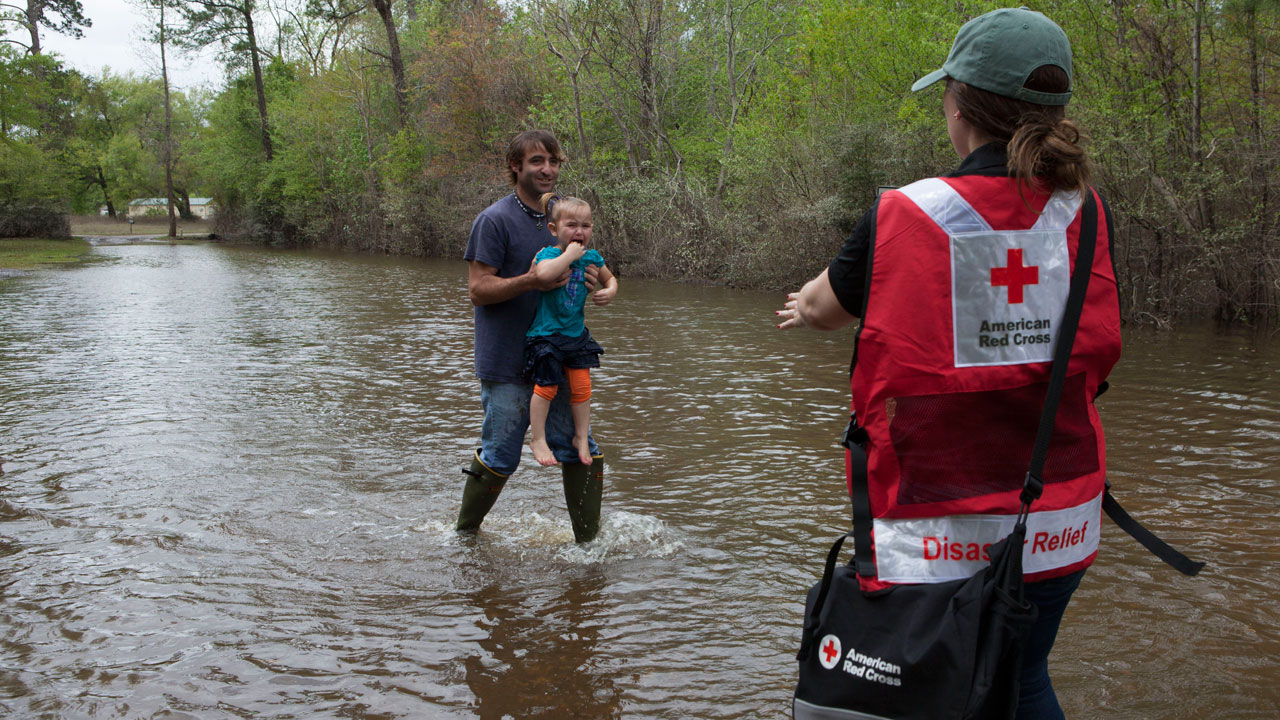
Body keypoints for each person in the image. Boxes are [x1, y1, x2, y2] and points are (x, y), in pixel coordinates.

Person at [776, 8, 1121, 720]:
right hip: (1057, 519)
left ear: (958, 105)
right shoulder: (1085, 212)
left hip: (933, 534)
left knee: (935, 693)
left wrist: (804, 308)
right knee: (1022, 679)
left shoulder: (908, 211)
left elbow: (822, 307)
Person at [457, 130, 611, 543]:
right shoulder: (494, 220)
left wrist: (594, 281)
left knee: (580, 446)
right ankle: (464, 539)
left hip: (559, 355)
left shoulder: (569, 218)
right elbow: (478, 290)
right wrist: (531, 281)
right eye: (537, 161)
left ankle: (588, 549)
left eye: (554, 161)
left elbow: (584, 277)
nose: (548, 169)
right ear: (516, 166)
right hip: (506, 359)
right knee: (500, 455)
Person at [524, 196, 618, 467]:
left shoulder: (591, 257)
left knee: (582, 387)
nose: (579, 231)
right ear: (554, 229)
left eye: (586, 225)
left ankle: (580, 437)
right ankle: (538, 438)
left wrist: (609, 290)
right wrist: (568, 256)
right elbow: (542, 275)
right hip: (546, 335)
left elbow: (609, 277)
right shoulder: (550, 254)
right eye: (572, 225)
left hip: (575, 336)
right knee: (547, 386)